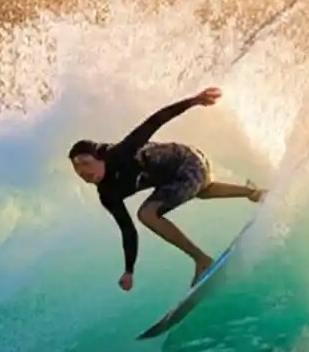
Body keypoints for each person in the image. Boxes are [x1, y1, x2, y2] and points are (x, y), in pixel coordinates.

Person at [68, 87, 266, 292]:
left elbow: (156, 120)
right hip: (178, 177)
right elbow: (127, 230)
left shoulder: (121, 153)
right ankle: (255, 193)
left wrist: (195, 100)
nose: (84, 172)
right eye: (78, 170)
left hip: (189, 161)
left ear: (98, 157)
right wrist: (129, 270)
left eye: (86, 163)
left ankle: (201, 259)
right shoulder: (107, 194)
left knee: (147, 213)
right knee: (201, 190)